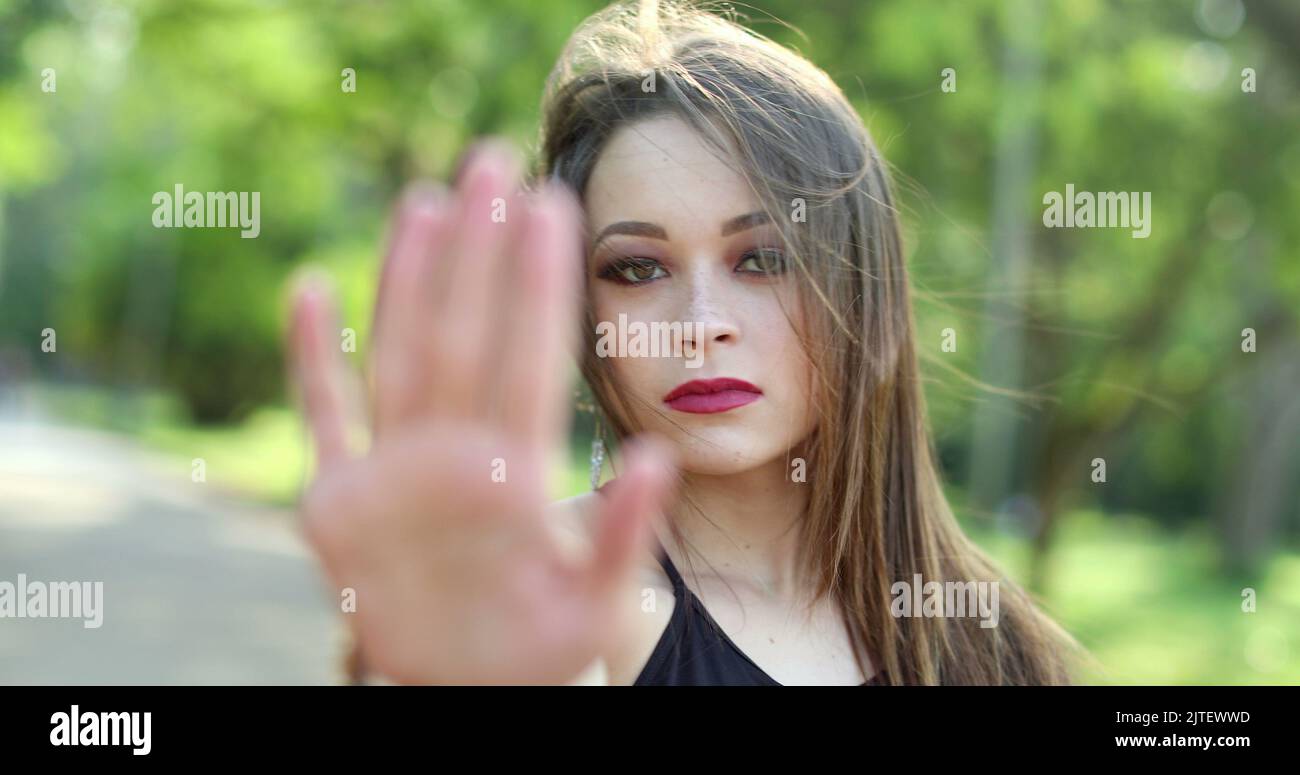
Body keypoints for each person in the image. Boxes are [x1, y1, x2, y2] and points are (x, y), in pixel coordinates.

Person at [287, 0, 1079, 685]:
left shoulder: (995, 641)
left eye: (764, 259)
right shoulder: (562, 590)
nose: (700, 321)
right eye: (636, 268)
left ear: (866, 297)